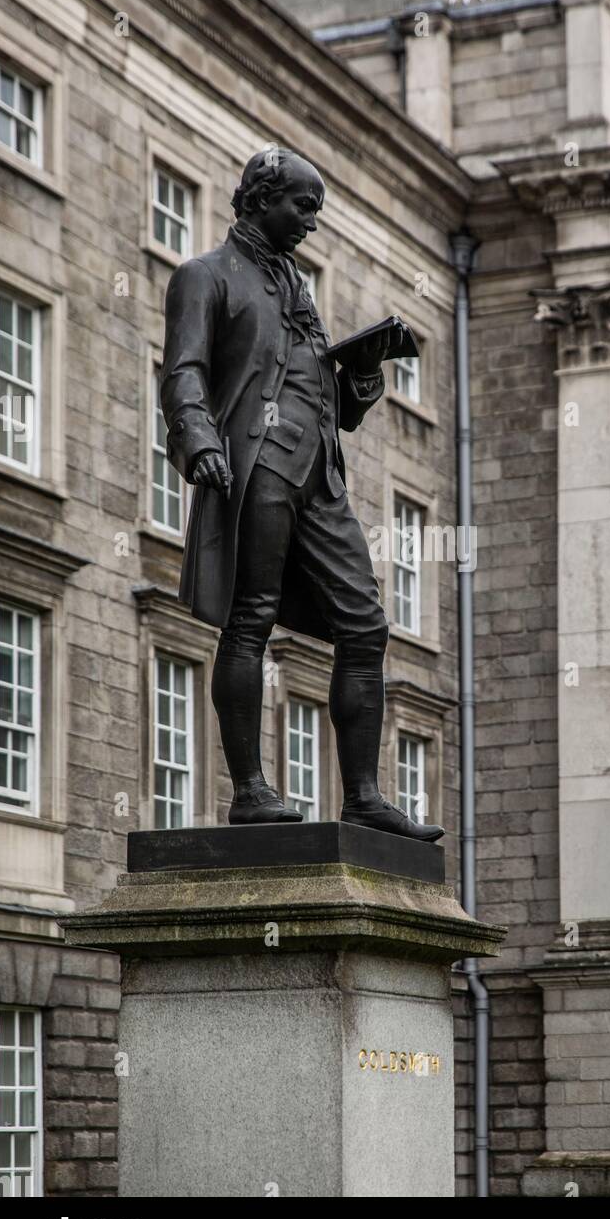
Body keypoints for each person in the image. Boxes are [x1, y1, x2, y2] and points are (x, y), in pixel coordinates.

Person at [160, 146, 443, 841]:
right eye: (303, 207)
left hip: (318, 478)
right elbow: (184, 371)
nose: (311, 223)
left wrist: (366, 371)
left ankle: (365, 796)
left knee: (366, 625)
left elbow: (334, 403)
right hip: (256, 468)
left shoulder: (299, 290)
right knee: (250, 621)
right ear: (261, 198)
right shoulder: (204, 277)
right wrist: (197, 439)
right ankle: (252, 792)